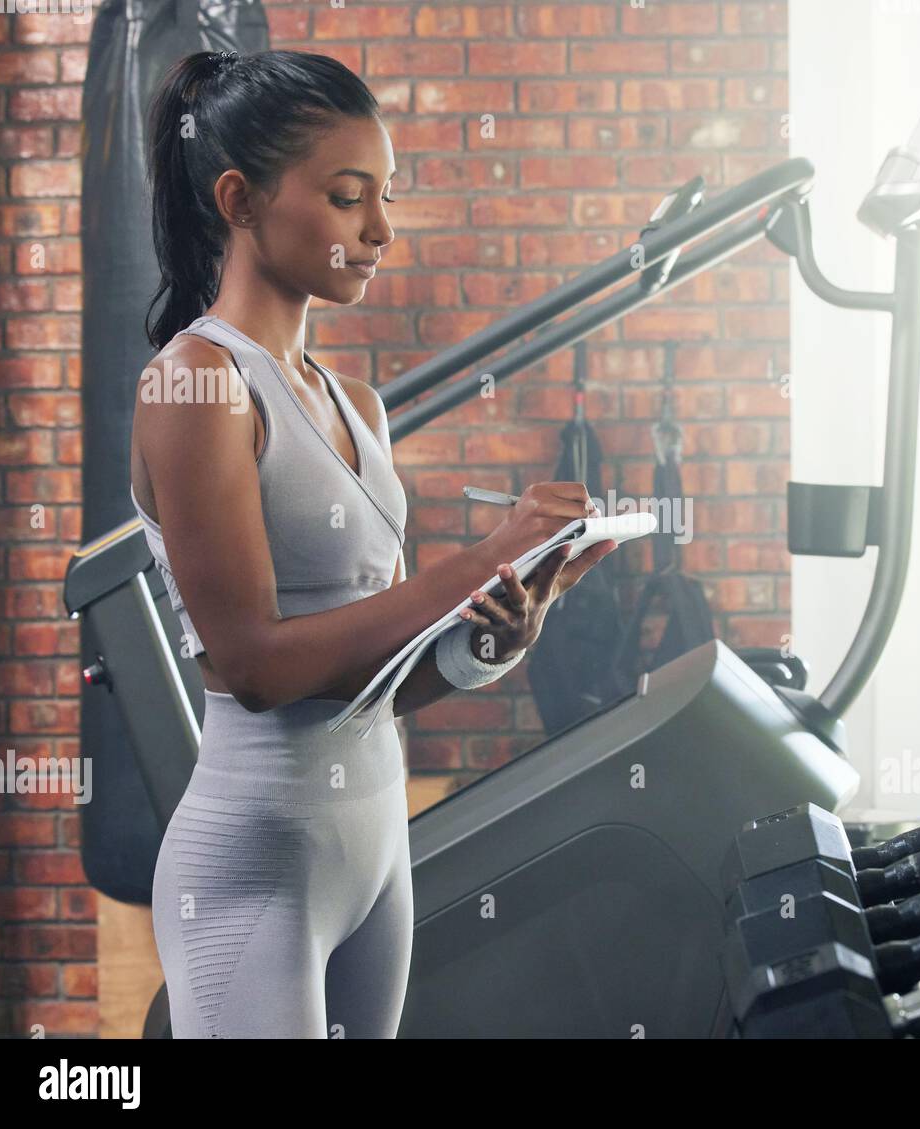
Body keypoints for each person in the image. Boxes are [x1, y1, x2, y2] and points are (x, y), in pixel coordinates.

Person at [132, 49, 616, 1038]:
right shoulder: (195, 383)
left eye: (385, 196)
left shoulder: (357, 408)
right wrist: (481, 556)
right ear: (239, 199)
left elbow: (385, 679)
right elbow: (256, 666)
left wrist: (499, 632)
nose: (382, 230)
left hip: (371, 846)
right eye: (350, 197)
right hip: (257, 861)